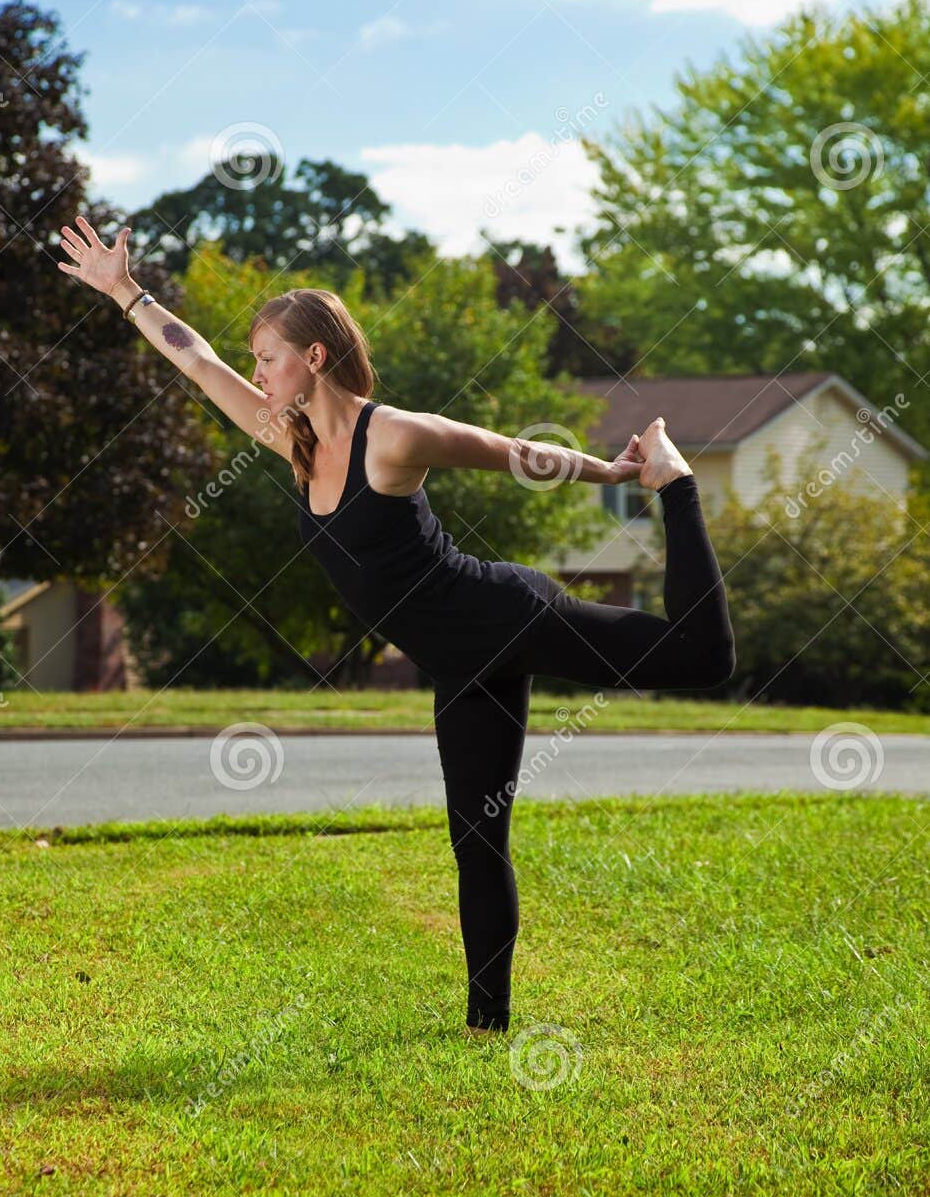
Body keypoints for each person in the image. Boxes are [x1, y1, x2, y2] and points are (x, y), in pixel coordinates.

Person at [58, 217, 736, 1038]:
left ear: (313, 357)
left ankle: (678, 485)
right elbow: (195, 359)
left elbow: (506, 451)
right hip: (459, 665)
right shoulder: (293, 443)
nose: (255, 372)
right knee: (475, 839)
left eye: (266, 357)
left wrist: (613, 472)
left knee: (702, 659)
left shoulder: (391, 436)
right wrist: (124, 290)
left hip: (506, 617)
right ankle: (486, 1027)